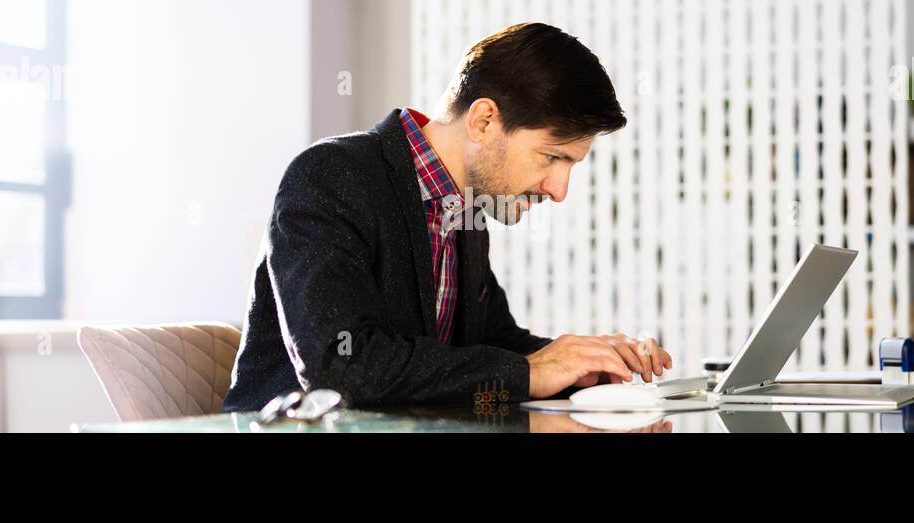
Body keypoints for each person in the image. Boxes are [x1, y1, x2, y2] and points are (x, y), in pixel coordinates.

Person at [223, 22, 672, 412]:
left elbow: (491, 347)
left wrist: (586, 363)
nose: (559, 190)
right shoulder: (330, 175)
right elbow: (341, 366)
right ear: (483, 122)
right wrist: (530, 371)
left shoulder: (466, 210)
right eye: (551, 158)